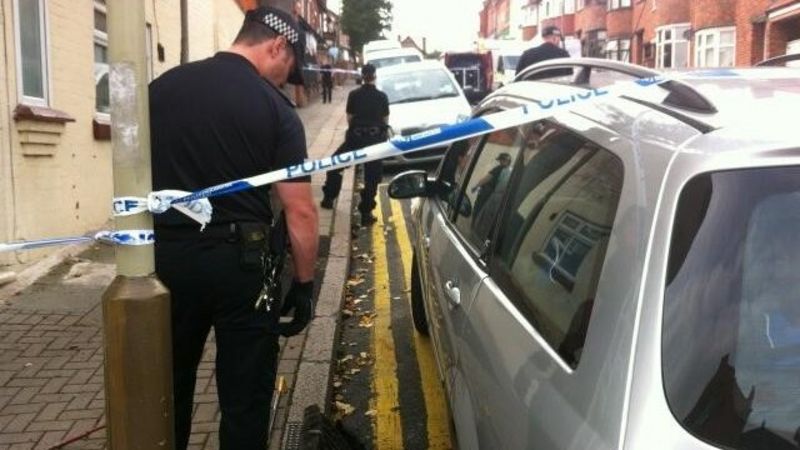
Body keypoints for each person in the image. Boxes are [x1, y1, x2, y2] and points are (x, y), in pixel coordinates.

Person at [149, 6, 319, 450]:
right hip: (242, 267)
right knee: (245, 397)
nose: (286, 79)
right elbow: (299, 212)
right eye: (289, 68)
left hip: (166, 261)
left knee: (167, 388)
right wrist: (304, 284)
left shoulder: (160, 90)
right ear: (278, 45)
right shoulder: (275, 110)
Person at [319, 63, 389, 226]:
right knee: (372, 177)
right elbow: (385, 121)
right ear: (375, 75)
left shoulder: (354, 95)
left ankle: (329, 198)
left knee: (335, 164)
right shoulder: (382, 96)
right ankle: (366, 213)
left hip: (355, 139)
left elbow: (350, 118)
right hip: (375, 142)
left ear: (362, 76)